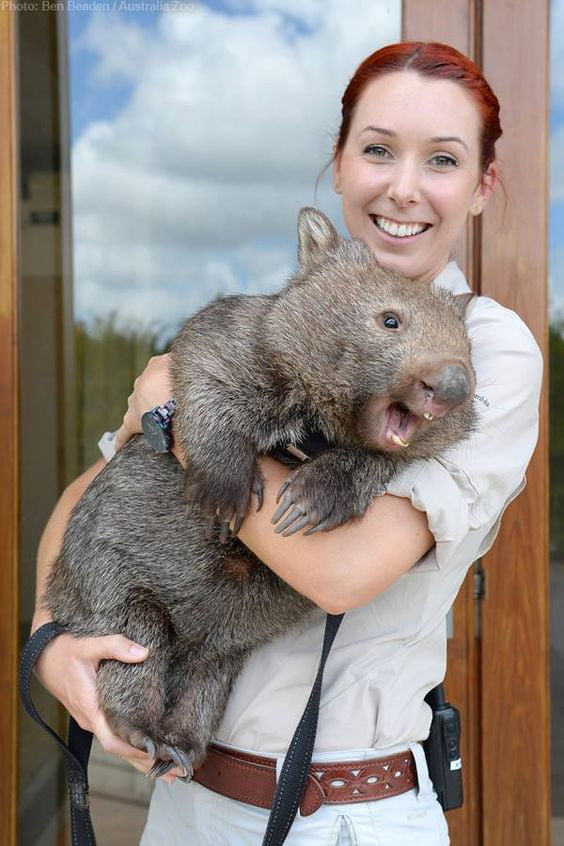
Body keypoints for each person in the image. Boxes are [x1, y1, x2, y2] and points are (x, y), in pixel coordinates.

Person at [31, 42, 543, 845]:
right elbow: (93, 496)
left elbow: (340, 571)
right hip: (183, 788)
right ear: (338, 166)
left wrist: (185, 427)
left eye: (442, 160)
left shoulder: (486, 350)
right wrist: (46, 636)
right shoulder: (274, 327)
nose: (404, 187)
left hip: (345, 815)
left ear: (481, 187)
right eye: (378, 150)